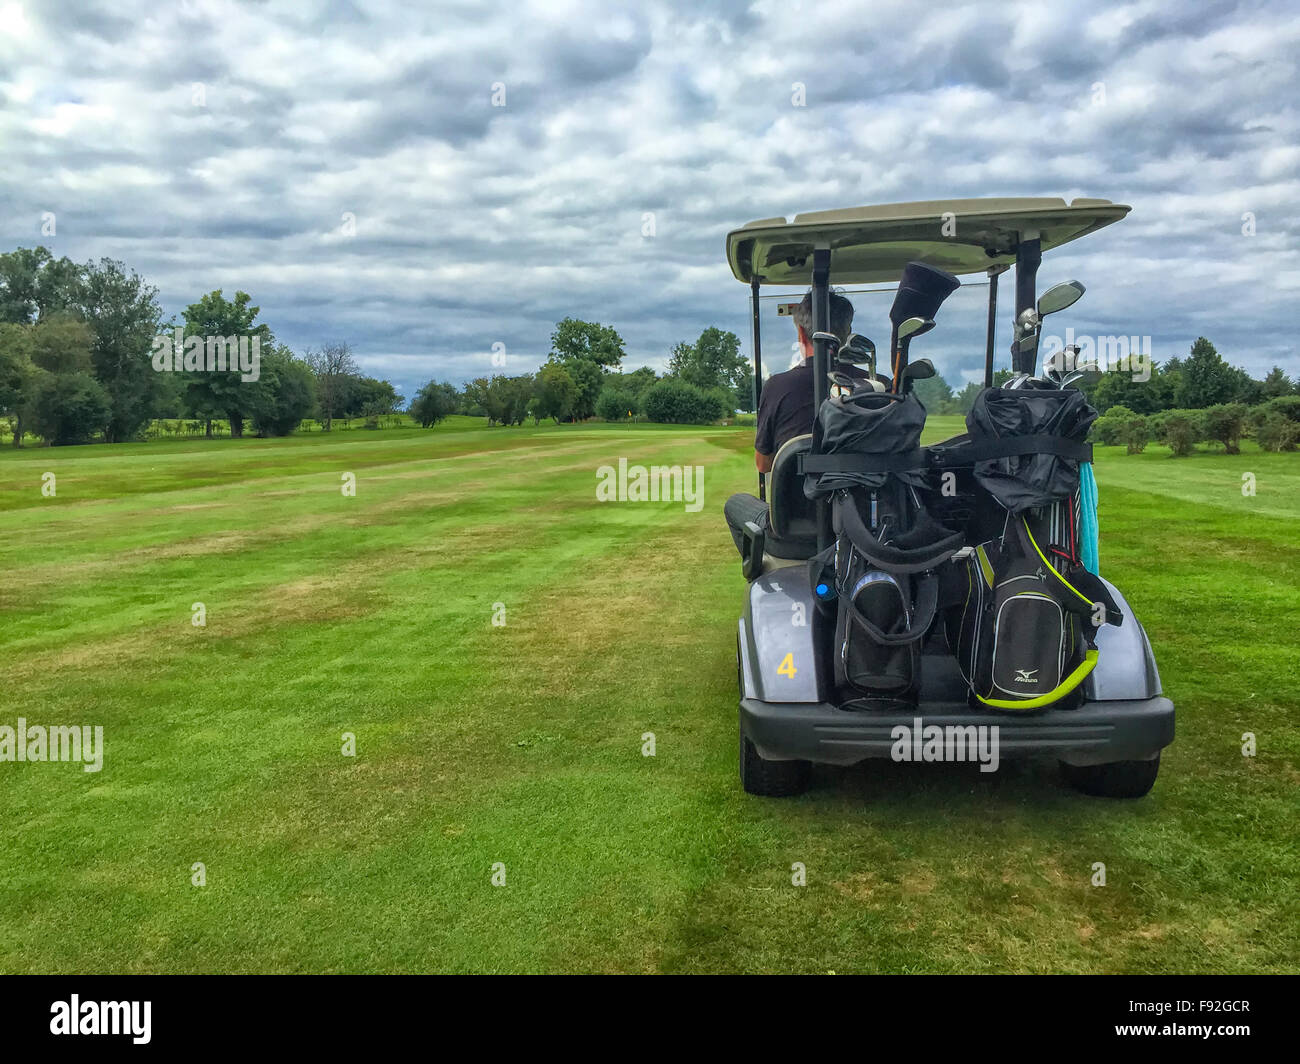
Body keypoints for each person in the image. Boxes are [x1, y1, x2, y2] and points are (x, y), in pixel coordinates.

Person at [723, 288, 863, 556]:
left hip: (793, 533)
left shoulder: (778, 386)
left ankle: (763, 573)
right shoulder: (876, 385)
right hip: (862, 530)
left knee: (735, 504)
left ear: (801, 333)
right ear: (847, 334)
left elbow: (763, 463)